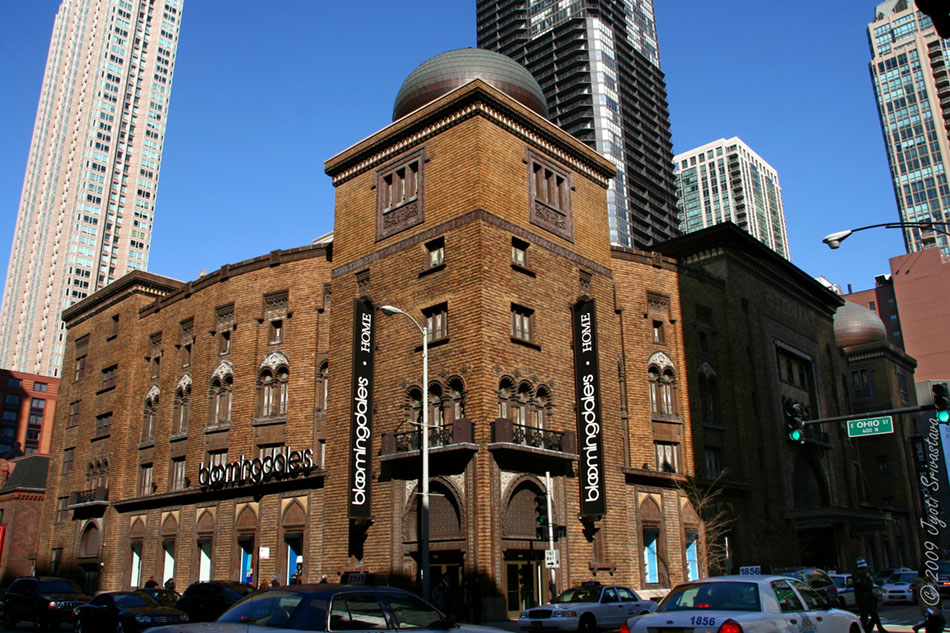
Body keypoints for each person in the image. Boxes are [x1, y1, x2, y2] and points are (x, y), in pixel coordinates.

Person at [854, 560, 887, 633]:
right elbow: (863, 585)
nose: (866, 570)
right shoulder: (856, 577)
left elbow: (870, 586)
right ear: (861, 569)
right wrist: (867, 579)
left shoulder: (866, 576)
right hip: (862, 599)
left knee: (874, 615)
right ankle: (866, 630)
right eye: (865, 568)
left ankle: (879, 628)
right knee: (864, 617)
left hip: (869, 598)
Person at [912, 566, 945, 633]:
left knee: (932, 626)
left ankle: (917, 627)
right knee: (940, 622)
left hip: (934, 608)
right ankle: (917, 627)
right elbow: (923, 600)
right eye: (930, 574)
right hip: (930, 609)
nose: (932, 576)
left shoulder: (929, 583)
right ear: (926, 575)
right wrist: (930, 611)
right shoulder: (922, 585)